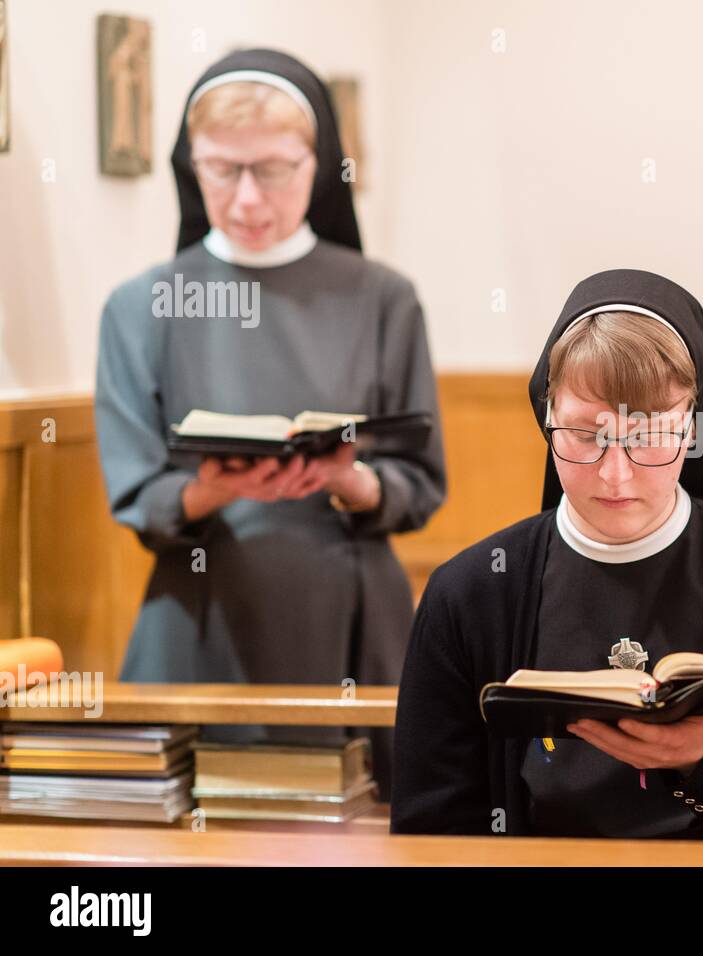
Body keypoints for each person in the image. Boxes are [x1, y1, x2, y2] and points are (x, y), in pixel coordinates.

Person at [392, 269, 703, 839]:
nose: (616, 476)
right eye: (587, 435)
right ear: (547, 421)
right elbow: (430, 835)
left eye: (647, 436)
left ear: (693, 429)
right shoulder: (467, 593)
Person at [94, 49, 446, 799]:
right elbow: (137, 492)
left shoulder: (384, 298)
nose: (248, 199)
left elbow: (420, 481)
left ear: (319, 164)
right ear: (190, 168)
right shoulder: (141, 304)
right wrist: (216, 488)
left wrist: (350, 478)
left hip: (351, 616)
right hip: (202, 610)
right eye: (221, 170)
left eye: (275, 169)